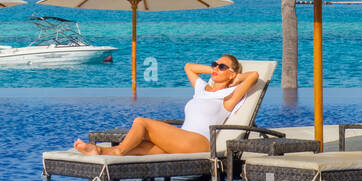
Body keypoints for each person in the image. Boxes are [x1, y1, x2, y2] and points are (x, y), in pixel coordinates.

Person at [73, 54, 258, 156]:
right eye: (215, 64)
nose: (216, 68)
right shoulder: (202, 89)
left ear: (232, 74)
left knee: (141, 123)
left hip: (199, 142)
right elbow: (188, 67)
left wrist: (235, 79)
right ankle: (99, 150)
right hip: (181, 139)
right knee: (143, 146)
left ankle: (118, 151)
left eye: (222, 67)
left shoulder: (229, 96)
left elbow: (254, 76)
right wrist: (213, 70)